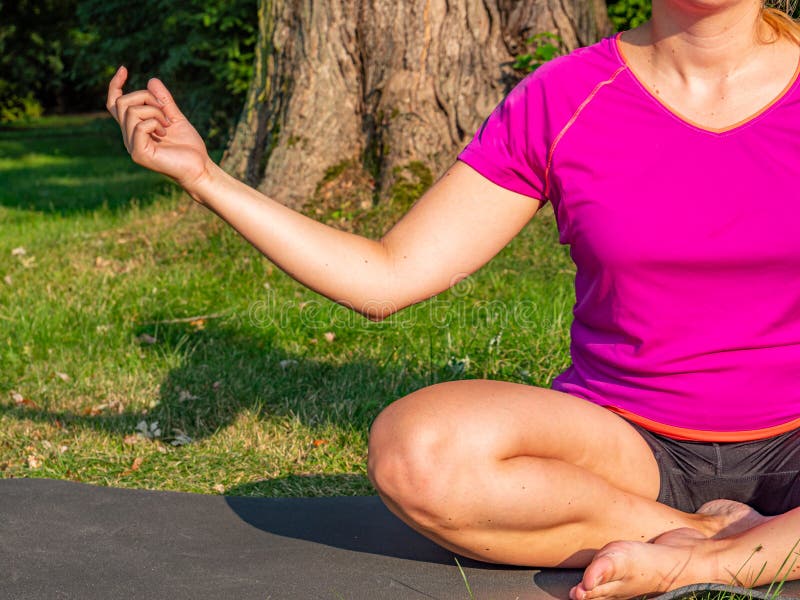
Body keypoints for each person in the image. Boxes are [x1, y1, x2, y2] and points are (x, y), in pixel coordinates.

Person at [107, 1, 800, 598]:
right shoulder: (564, 97)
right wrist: (205, 177)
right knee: (419, 451)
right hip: (626, 450)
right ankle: (721, 538)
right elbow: (387, 275)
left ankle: (718, 562)